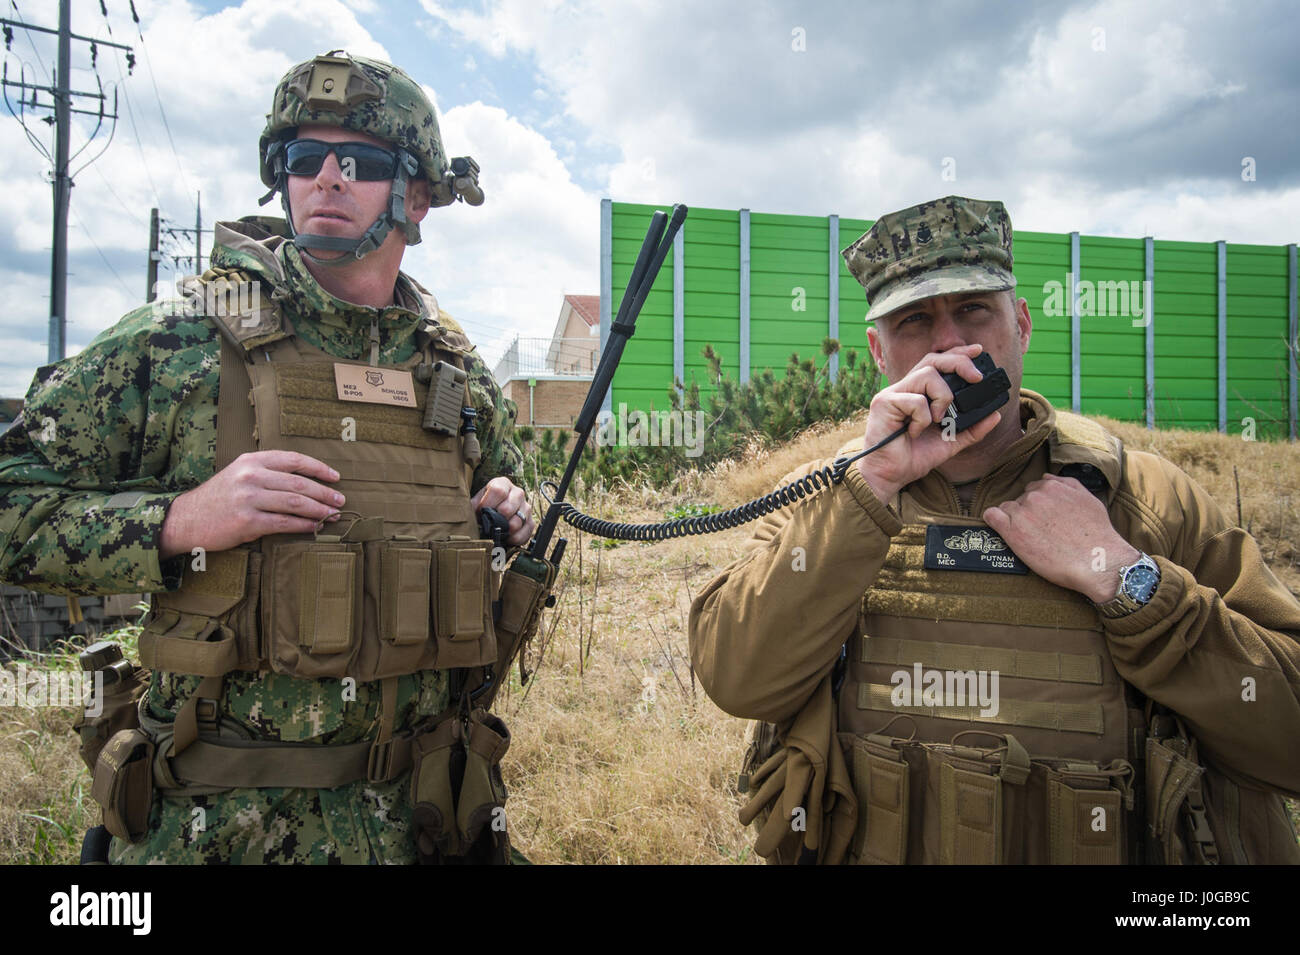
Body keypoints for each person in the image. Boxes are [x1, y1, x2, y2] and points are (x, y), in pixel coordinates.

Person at [0, 51, 546, 864]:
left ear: (417, 195)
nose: (325, 177)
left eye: (357, 161)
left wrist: (504, 508)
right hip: (217, 832)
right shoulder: (182, 340)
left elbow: (496, 494)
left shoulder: (454, 372)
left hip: (423, 823)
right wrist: (182, 518)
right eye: (301, 159)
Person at [688, 195, 1300, 865]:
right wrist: (869, 490)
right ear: (878, 352)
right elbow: (737, 679)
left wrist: (1126, 577)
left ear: (1023, 325)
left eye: (974, 309)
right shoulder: (825, 495)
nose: (949, 341)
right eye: (914, 320)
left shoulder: (1148, 500)